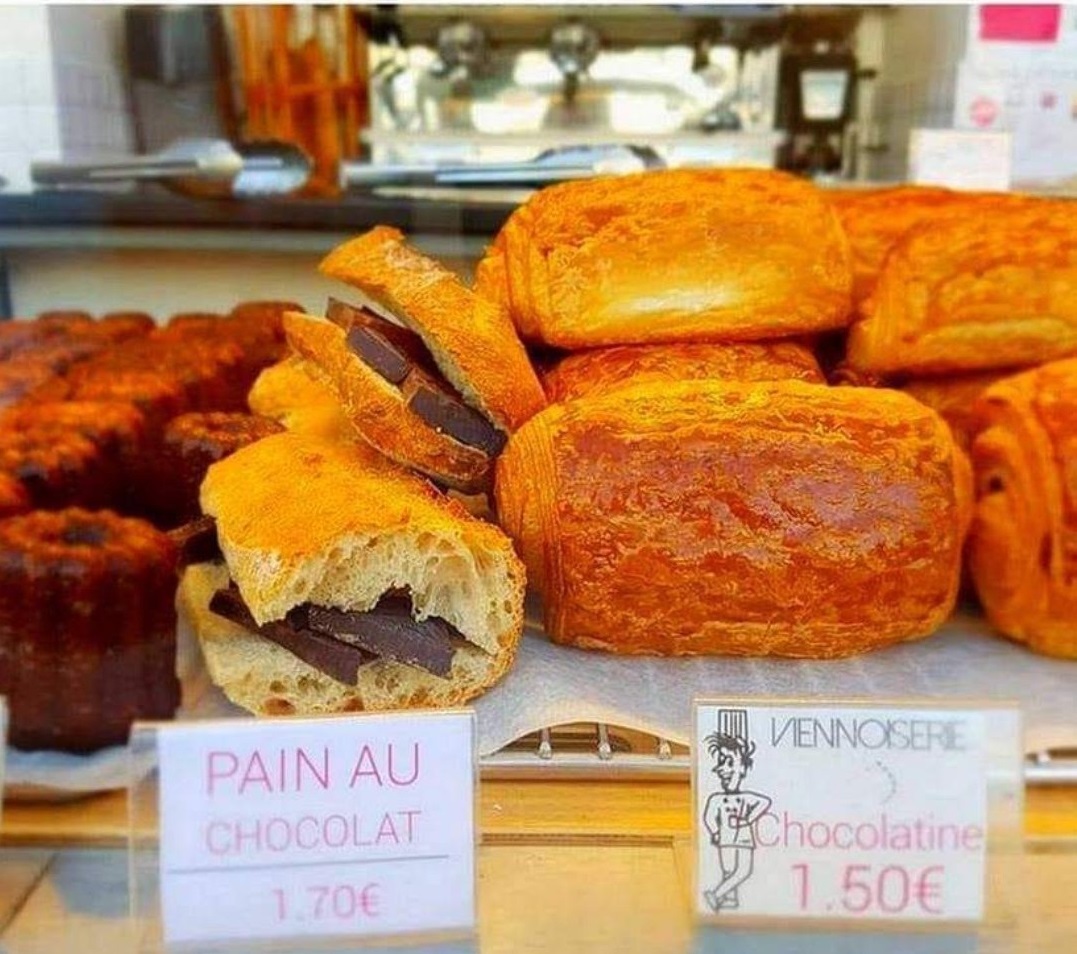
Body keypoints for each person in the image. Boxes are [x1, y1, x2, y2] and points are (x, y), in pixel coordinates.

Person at [702, 730, 772, 912]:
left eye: (730, 763)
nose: (722, 769)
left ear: (743, 769)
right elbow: (709, 817)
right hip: (725, 836)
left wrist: (748, 818)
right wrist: (715, 832)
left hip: (744, 837)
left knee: (743, 870)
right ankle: (728, 899)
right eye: (721, 763)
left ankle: (716, 895)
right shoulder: (716, 798)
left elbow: (765, 802)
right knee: (728, 869)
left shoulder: (747, 797)